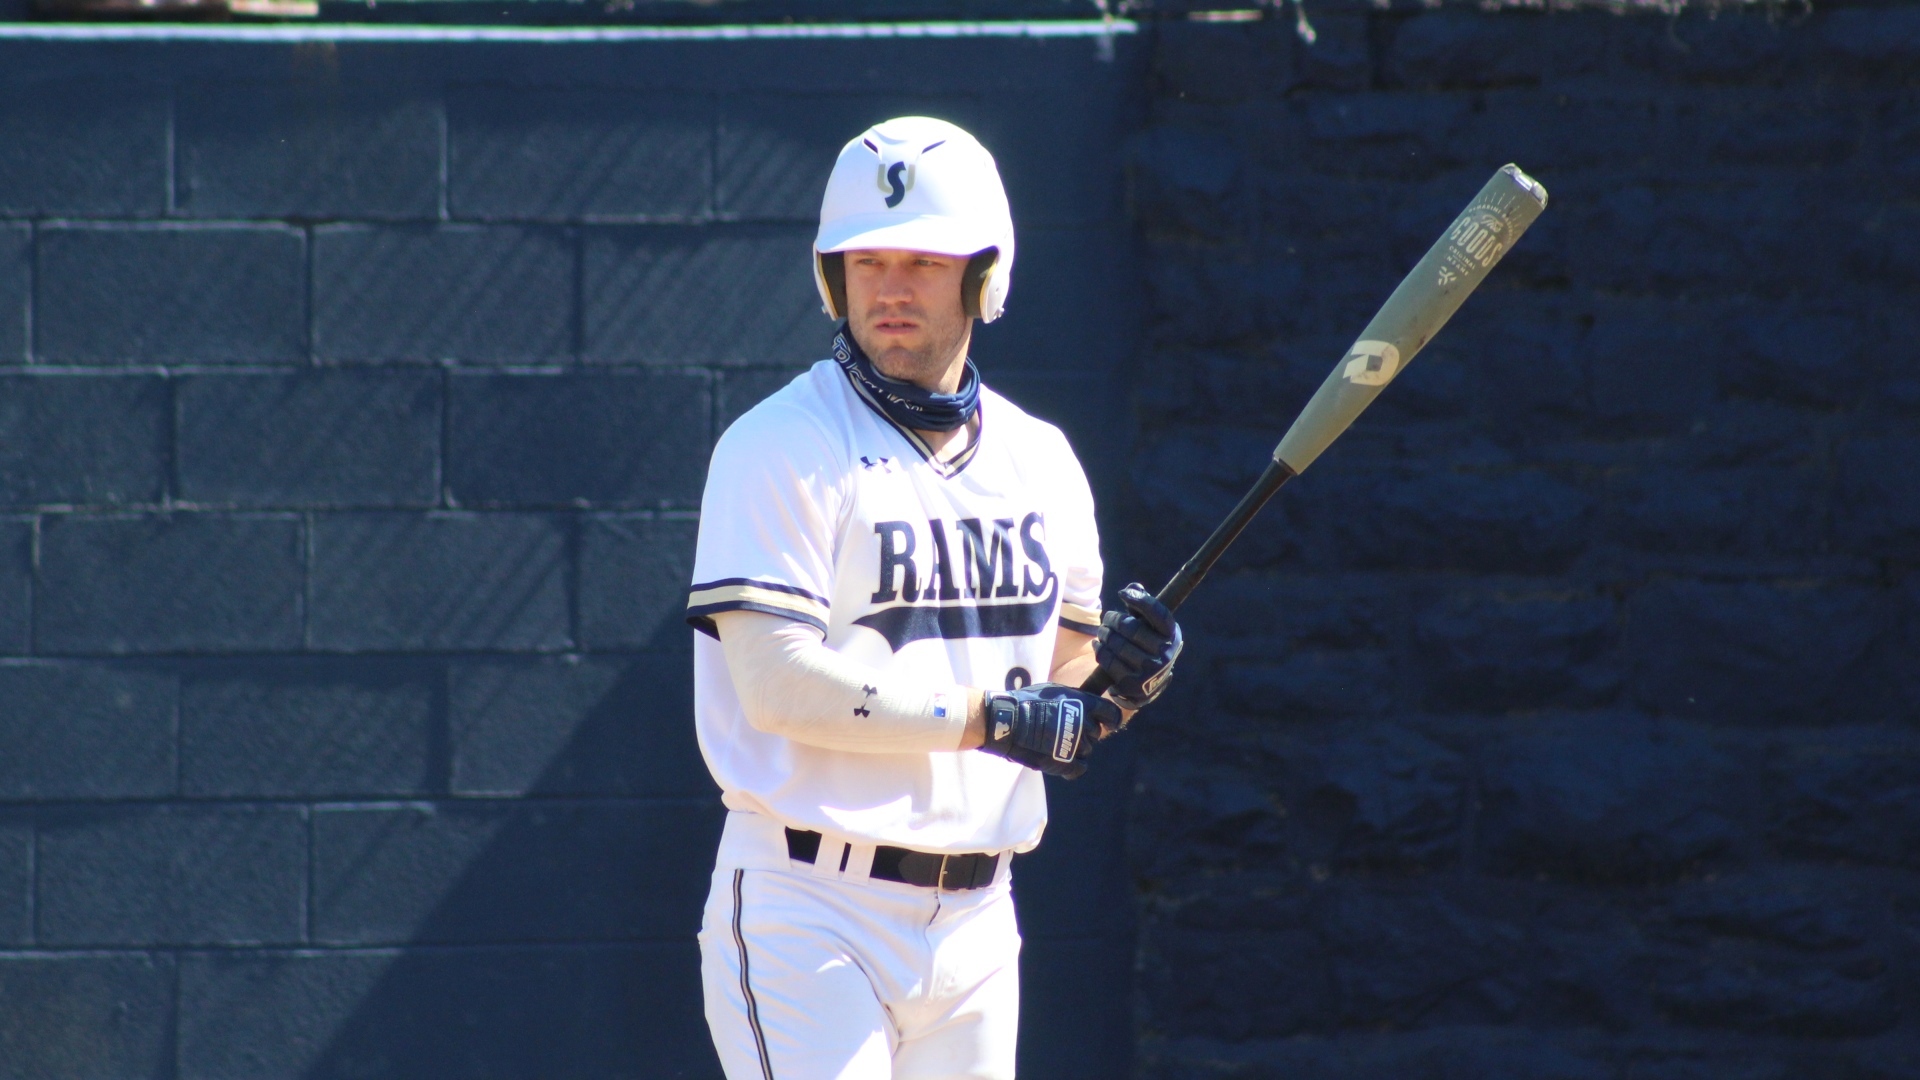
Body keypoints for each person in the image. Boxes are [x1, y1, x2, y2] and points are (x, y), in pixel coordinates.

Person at [684, 116, 1183, 1080]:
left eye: (922, 259)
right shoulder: (780, 444)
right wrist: (998, 717)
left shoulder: (1041, 459)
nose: (890, 287)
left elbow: (1067, 695)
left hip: (979, 919)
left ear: (983, 275)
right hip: (808, 906)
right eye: (866, 261)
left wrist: (1129, 679)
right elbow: (779, 686)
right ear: (834, 277)